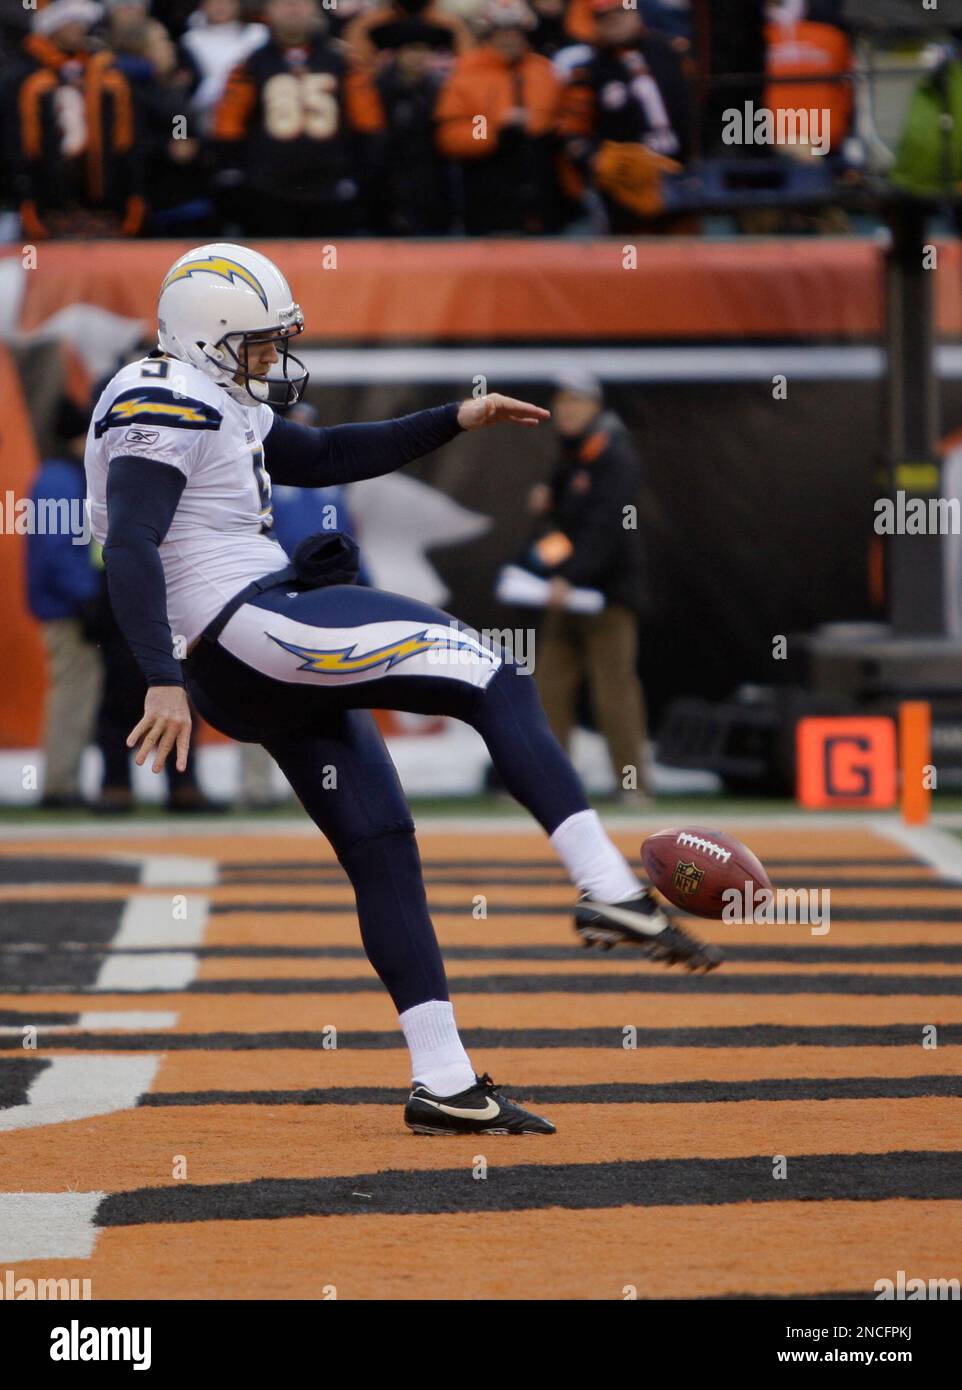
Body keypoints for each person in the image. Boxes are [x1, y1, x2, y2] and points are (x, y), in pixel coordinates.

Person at [84, 243, 720, 1138]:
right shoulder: (161, 399)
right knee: (493, 674)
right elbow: (132, 542)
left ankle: (444, 1081)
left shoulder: (207, 394)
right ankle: (607, 888)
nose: (270, 358)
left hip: (246, 654)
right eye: (256, 343)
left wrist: (454, 418)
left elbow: (325, 453)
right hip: (246, 627)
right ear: (202, 337)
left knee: (382, 846)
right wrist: (159, 679)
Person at [529, 371, 652, 806]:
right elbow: (562, 533)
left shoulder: (613, 454)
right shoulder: (572, 455)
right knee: (548, 687)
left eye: (576, 401)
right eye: (561, 401)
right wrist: (548, 510)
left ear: (595, 406)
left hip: (606, 597)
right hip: (568, 594)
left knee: (614, 690)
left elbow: (606, 528)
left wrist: (571, 575)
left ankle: (633, 786)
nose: (567, 410)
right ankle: (548, 784)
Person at [211, 0, 382, 236]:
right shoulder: (251, 64)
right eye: (283, 3)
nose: (293, 9)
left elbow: (369, 123)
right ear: (268, 10)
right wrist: (234, 174)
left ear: (314, 8)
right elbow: (228, 126)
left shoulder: (343, 62)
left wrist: (360, 176)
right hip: (267, 192)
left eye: (301, 3)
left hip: (331, 190)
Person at [5, 0, 144, 238]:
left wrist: (133, 194)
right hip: (49, 198)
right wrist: (26, 199)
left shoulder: (106, 73)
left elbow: (127, 137)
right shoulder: (26, 78)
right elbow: (18, 142)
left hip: (102, 197)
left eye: (81, 24)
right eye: (71, 23)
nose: (79, 29)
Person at [26, 399, 103, 810]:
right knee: (73, 694)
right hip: (65, 609)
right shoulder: (60, 479)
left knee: (73, 693)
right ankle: (60, 784)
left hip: (62, 604)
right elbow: (56, 551)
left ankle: (63, 780)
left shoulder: (55, 476)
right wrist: (85, 596)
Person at [434, 0, 564, 234]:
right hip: (489, 186)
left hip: (543, 184)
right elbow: (451, 134)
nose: (510, 39)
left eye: (516, 33)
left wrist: (553, 131)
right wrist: (495, 132)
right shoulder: (467, 73)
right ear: (487, 36)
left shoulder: (542, 71)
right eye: (502, 33)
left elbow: (562, 118)